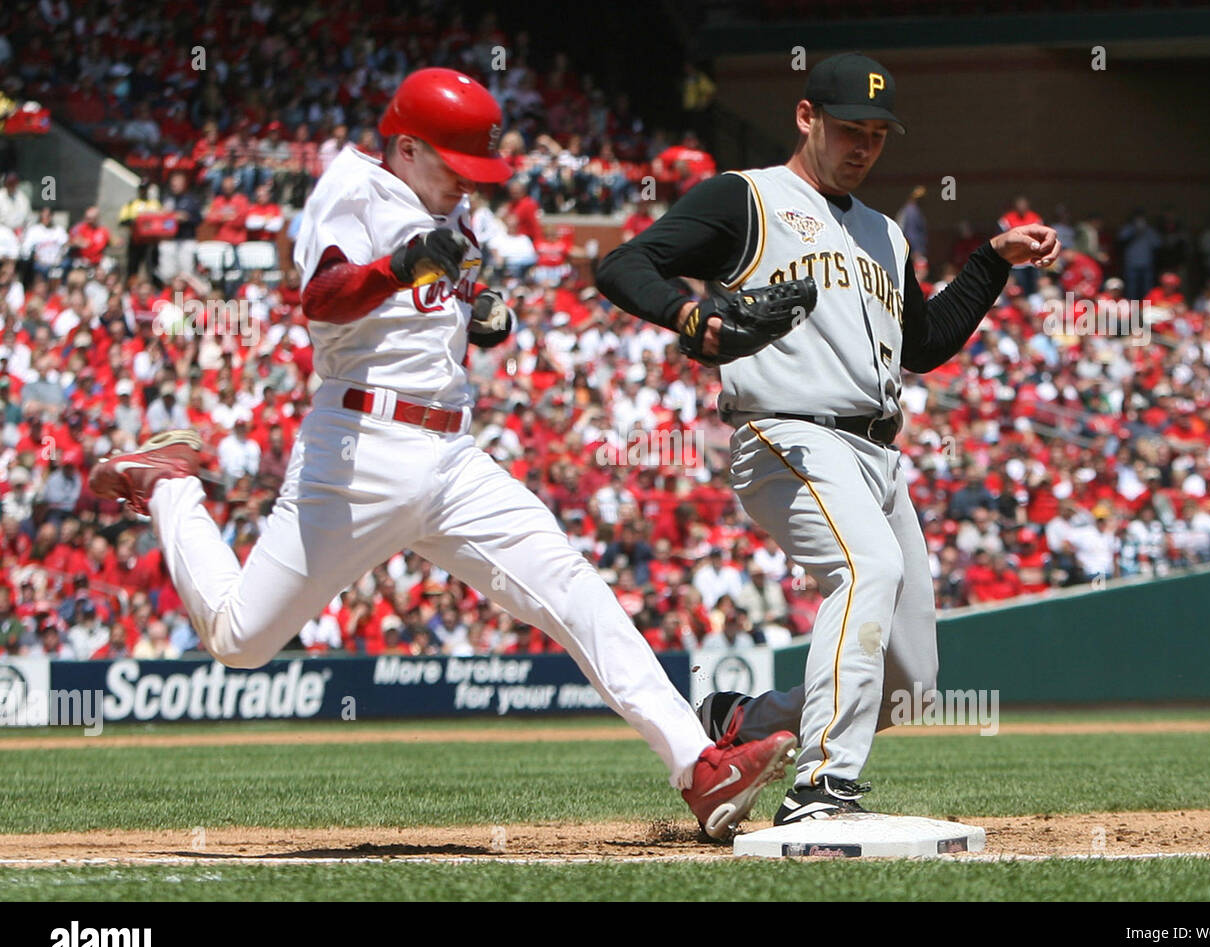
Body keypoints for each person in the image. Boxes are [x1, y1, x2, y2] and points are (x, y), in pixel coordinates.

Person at [89, 68, 794, 840]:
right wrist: (400, 269)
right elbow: (320, 296)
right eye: (457, 166)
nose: (469, 184)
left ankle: (699, 767)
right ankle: (168, 487)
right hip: (360, 451)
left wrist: (478, 315)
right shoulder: (354, 186)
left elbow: (434, 307)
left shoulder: (444, 213)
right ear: (405, 147)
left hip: (453, 454)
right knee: (239, 638)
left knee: (571, 584)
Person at [597, 52, 1059, 826]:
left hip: (880, 453)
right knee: (867, 567)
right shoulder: (748, 198)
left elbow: (924, 343)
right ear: (807, 117)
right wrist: (690, 317)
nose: (864, 146)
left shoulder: (883, 232)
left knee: (911, 682)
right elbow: (624, 264)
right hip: (787, 431)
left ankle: (749, 722)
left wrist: (988, 264)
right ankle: (821, 786)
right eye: (850, 129)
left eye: (878, 134)